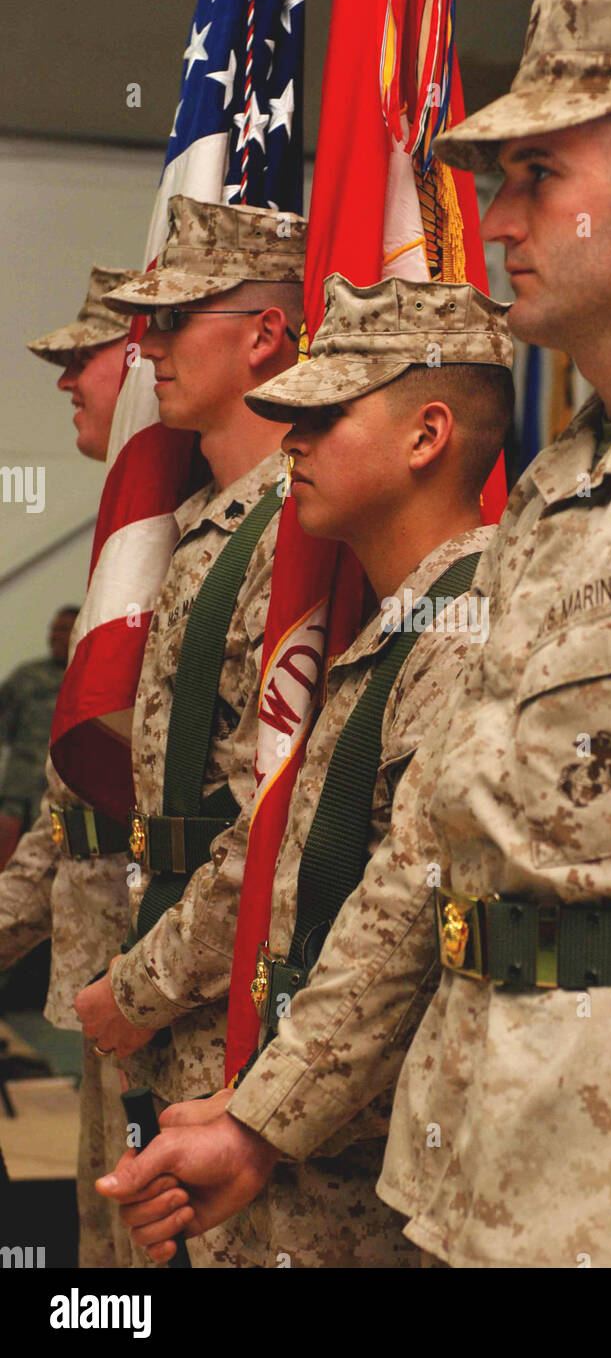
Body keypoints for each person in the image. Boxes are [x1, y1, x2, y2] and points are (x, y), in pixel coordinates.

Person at [105, 0, 611, 1270]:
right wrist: (260, 1122)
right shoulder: (554, 490)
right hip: (469, 1189)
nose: (495, 219)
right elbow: (428, 853)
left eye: (530, 176)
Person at [97, 272, 512, 1267]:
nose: (292, 442)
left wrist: (255, 1114)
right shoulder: (387, 624)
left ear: (428, 436)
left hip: (370, 1168)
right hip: (302, 1134)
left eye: (325, 417)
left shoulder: (472, 635)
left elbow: (400, 922)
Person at [73, 193, 306, 1266]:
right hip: (169, 1002)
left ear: (265, 334)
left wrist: (138, 988)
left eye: (176, 321)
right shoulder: (204, 520)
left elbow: (271, 820)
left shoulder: (298, 531)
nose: (148, 346)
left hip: (233, 1021)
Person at [0, 263, 139, 1265]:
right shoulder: (127, 546)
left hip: (164, 993)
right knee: (104, 1251)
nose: (64, 384)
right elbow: (69, 815)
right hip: (106, 976)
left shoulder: (183, 544)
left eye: (78, 360)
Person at [0, 605, 78, 853]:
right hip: (17, 798)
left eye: (63, 629)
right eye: (53, 629)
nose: (54, 635)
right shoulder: (27, 677)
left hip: (64, 802)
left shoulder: (87, 680)